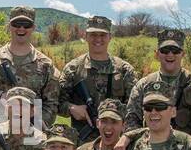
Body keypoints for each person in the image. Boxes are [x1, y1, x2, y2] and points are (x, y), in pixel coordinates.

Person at [115, 28, 191, 150]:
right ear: (157, 54)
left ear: (183, 54)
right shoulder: (143, 86)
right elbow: (131, 122)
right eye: (165, 51)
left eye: (175, 51)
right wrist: (143, 147)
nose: (170, 55)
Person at [0, 5, 61, 126]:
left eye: (26, 24)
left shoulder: (45, 65)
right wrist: (1, 97)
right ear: (9, 26)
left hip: (30, 136)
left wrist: (36, 123)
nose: (21, 28)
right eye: (16, 24)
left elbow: (52, 104)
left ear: (33, 28)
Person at [58, 15, 137, 143]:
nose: (98, 39)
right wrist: (71, 108)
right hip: (82, 141)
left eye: (102, 35)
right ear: (86, 36)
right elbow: (57, 101)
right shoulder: (73, 68)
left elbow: (134, 108)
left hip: (116, 141)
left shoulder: (124, 70)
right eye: (93, 34)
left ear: (110, 37)